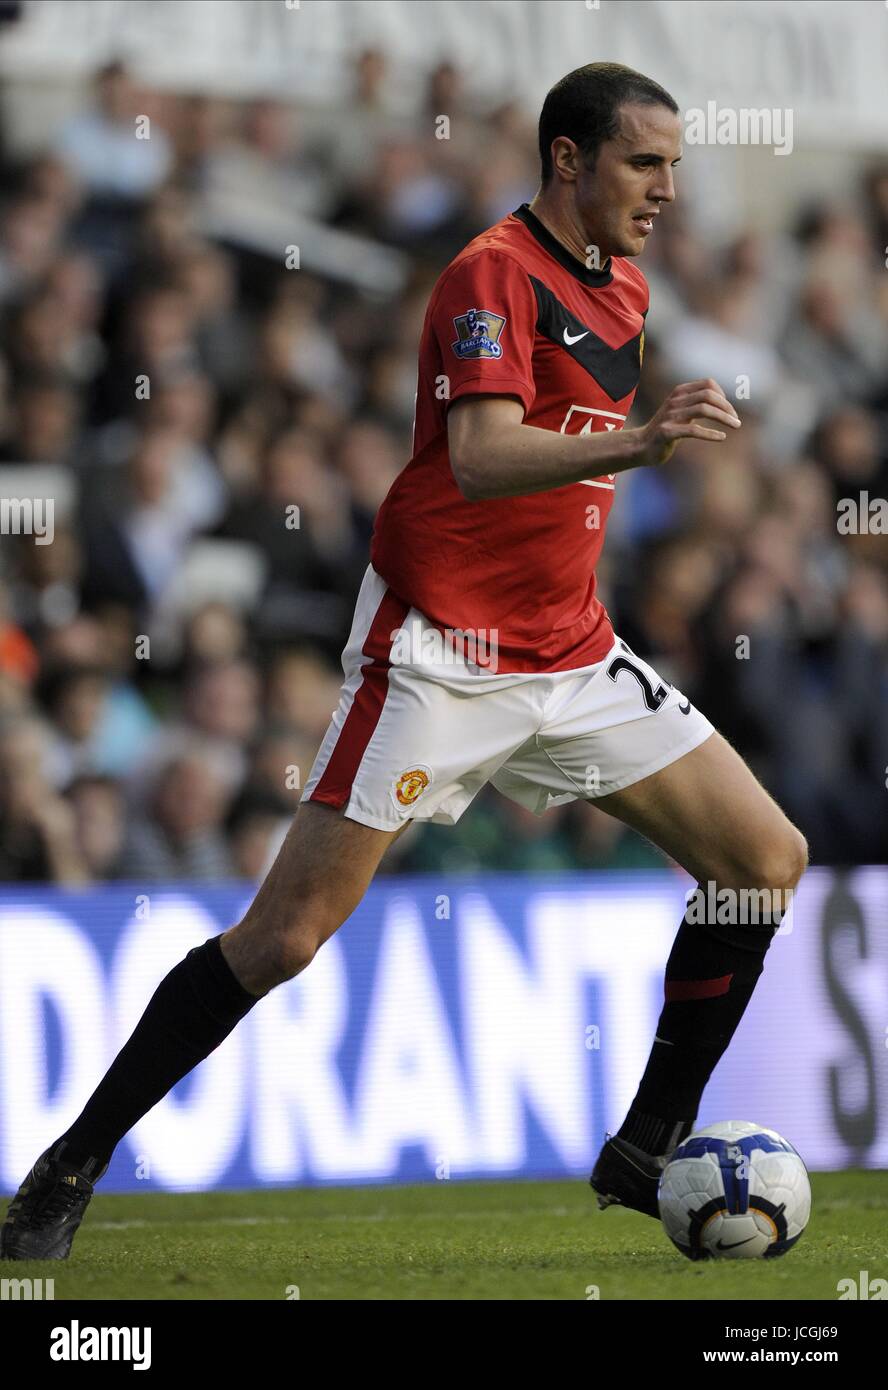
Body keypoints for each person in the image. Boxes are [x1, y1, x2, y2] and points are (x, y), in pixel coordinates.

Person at [1, 62, 807, 1261]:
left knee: (763, 860)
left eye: (677, 166)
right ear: (569, 159)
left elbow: (560, 480)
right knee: (283, 938)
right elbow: (480, 456)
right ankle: (66, 1167)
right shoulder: (492, 274)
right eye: (644, 163)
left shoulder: (627, 290)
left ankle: (647, 1145)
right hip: (442, 651)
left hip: (572, 649)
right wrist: (640, 444)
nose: (666, 190)